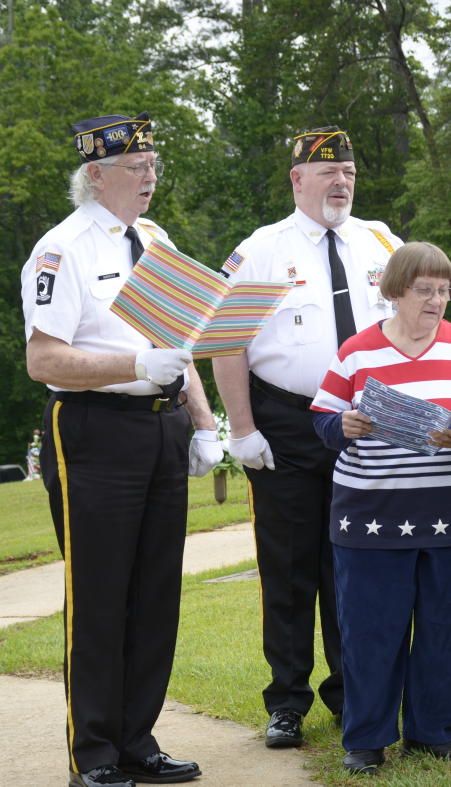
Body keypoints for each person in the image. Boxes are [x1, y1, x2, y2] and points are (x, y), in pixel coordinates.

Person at [21, 112, 221, 787]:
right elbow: (43, 358)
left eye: (154, 165)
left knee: (156, 591)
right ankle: (94, 753)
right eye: (138, 168)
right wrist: (134, 367)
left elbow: (181, 340)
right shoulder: (63, 248)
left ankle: (137, 739)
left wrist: (204, 422)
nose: (151, 177)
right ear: (97, 174)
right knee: (101, 595)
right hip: (94, 430)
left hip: (162, 426)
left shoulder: (155, 238)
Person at [212, 126, 403, 747]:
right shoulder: (260, 251)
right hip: (288, 426)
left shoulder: (381, 243)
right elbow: (226, 343)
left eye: (348, 172)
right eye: (327, 173)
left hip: (369, 423)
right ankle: (287, 700)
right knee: (291, 567)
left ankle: (354, 695)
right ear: (297, 180)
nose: (341, 182)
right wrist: (241, 430)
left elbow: (416, 328)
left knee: (360, 562)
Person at [309, 243, 451, 774]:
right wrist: (343, 426)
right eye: (425, 290)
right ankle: (367, 738)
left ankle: (433, 730)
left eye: (444, 291)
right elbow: (324, 419)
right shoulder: (357, 352)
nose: (437, 300)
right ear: (395, 290)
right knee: (371, 629)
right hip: (372, 517)